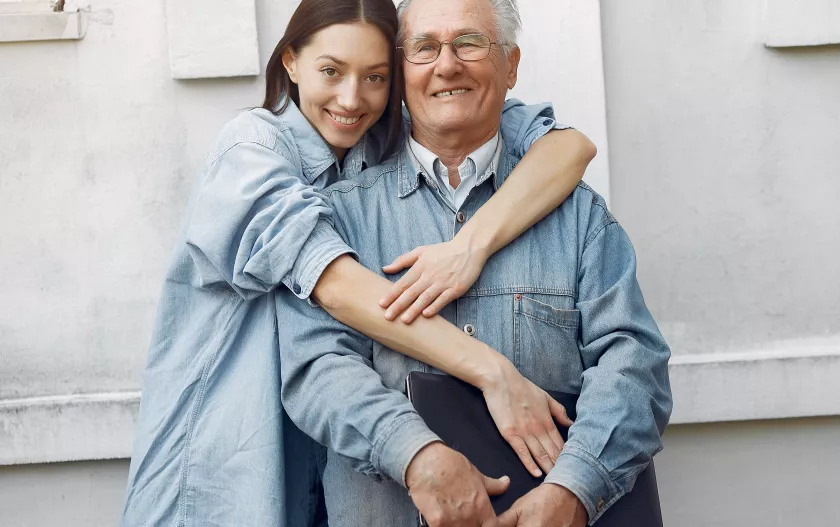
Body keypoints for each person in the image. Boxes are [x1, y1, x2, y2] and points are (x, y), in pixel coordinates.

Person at [121, 0, 597, 526]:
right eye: (330, 71)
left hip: (322, 483)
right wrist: (493, 373)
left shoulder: (372, 143)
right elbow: (339, 289)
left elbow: (568, 149)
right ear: (290, 62)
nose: (351, 98)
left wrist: (472, 245)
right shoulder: (249, 153)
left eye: (375, 76)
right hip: (220, 475)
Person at [274, 0, 673, 525]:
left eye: (469, 42)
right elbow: (316, 370)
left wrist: (575, 489)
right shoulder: (339, 215)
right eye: (424, 48)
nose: (447, 65)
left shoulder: (578, 215)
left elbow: (634, 361)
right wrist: (418, 457)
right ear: (400, 72)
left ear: (511, 65)